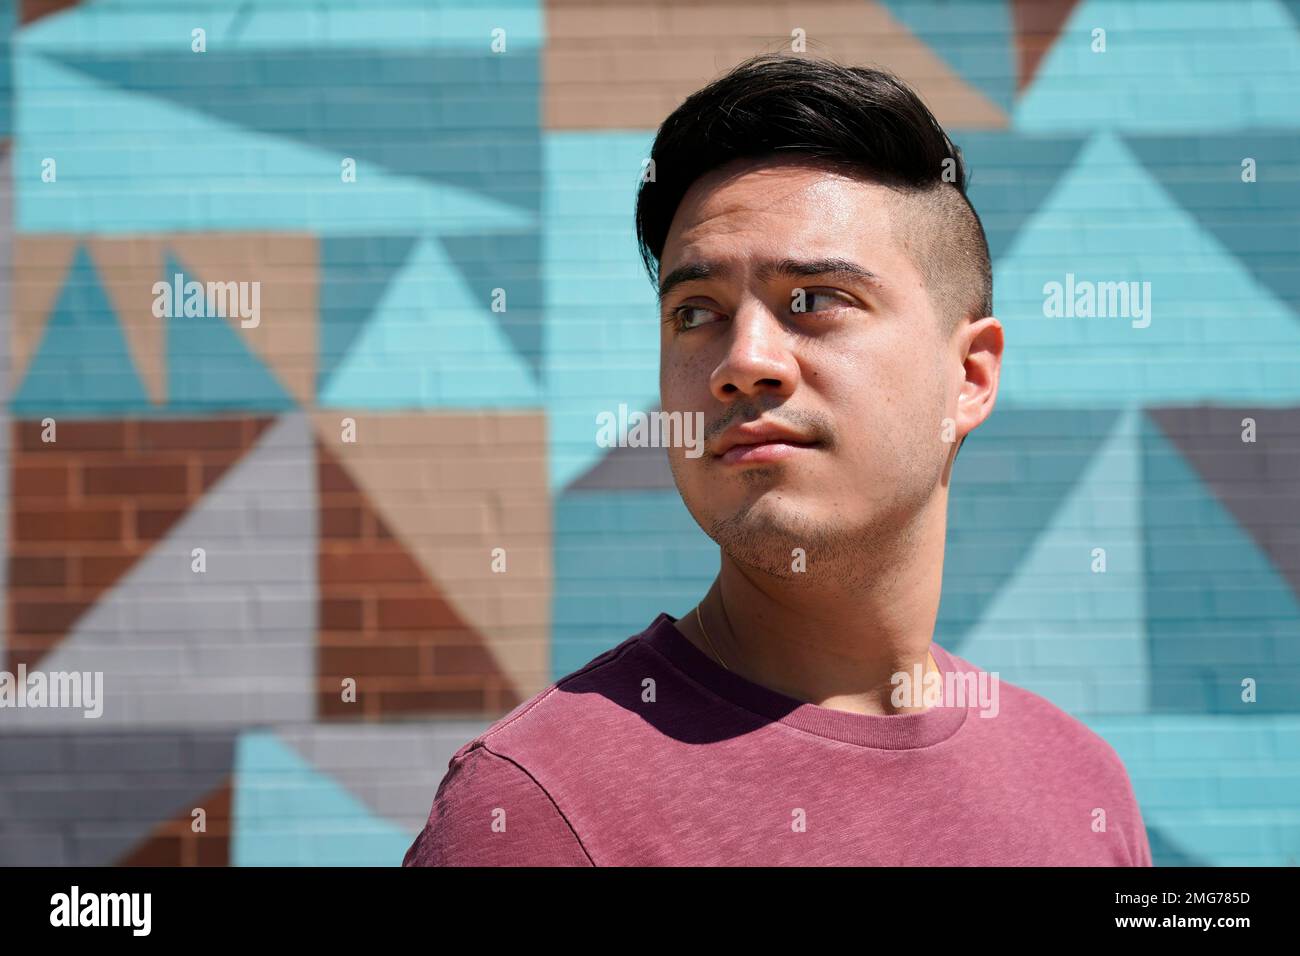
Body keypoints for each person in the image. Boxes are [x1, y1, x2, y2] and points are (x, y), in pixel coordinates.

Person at [404, 52, 1152, 867]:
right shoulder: (533, 809)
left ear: (968, 376)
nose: (743, 359)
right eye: (696, 312)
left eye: (816, 300)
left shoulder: (1082, 789)